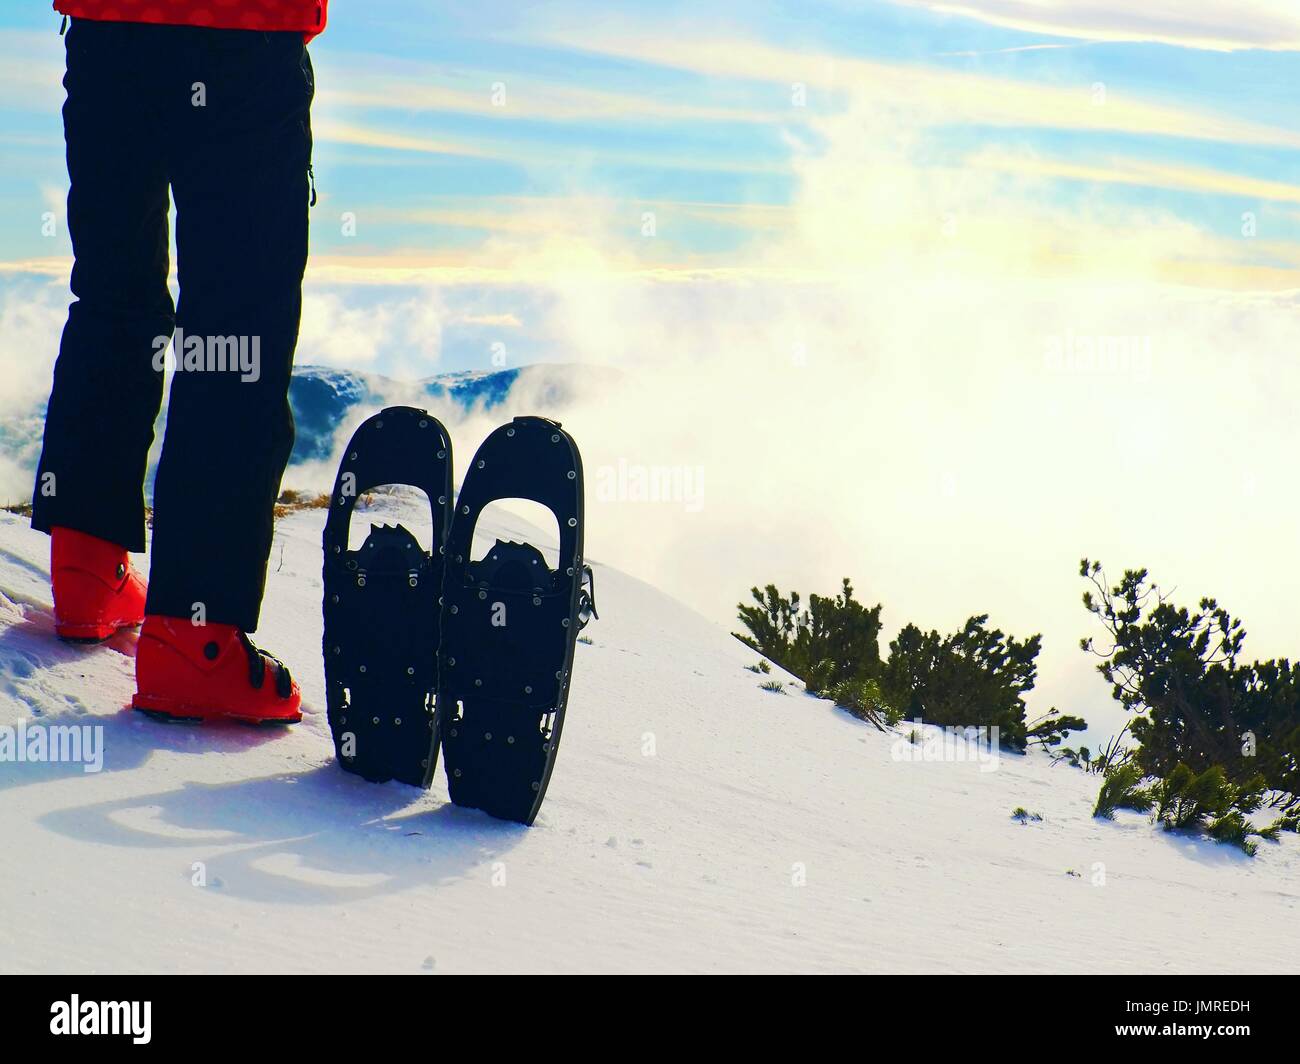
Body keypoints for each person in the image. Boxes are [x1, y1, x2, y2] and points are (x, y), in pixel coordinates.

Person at [31, 1, 330, 724]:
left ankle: (88, 563)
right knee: (235, 327)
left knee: (113, 288)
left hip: (107, 27)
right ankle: (195, 638)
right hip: (243, 32)